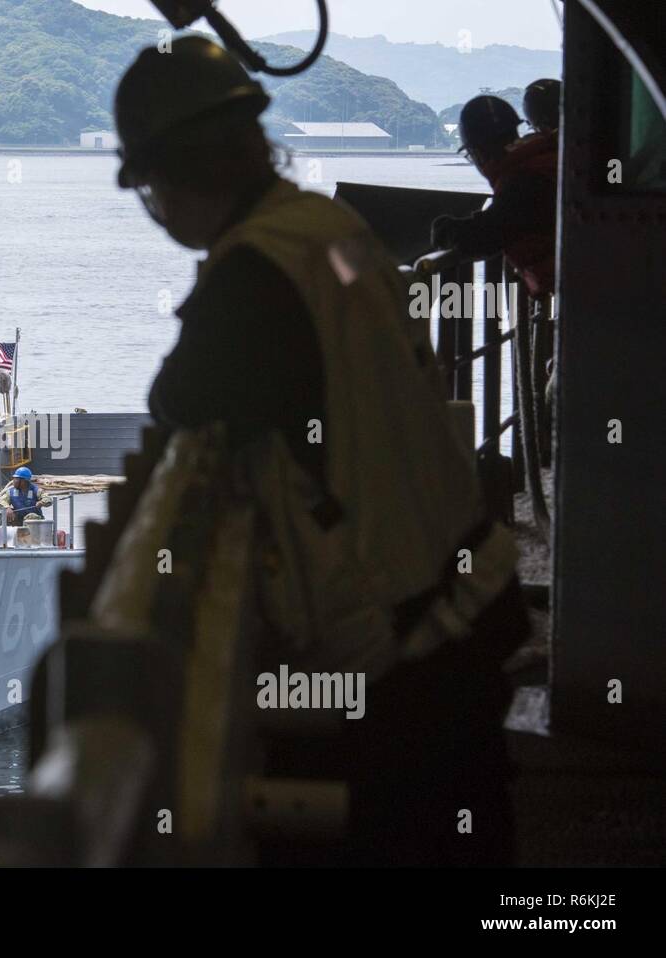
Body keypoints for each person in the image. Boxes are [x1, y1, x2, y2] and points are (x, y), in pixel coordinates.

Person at [112, 36, 528, 865]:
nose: (156, 206)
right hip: (467, 601)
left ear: (188, 172)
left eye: (154, 185)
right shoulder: (326, 226)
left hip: (399, 660)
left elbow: (179, 396)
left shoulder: (253, 272)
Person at [429, 94, 559, 297]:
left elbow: (489, 232)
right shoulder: (541, 161)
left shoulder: (523, 178)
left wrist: (447, 230)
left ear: (478, 153)